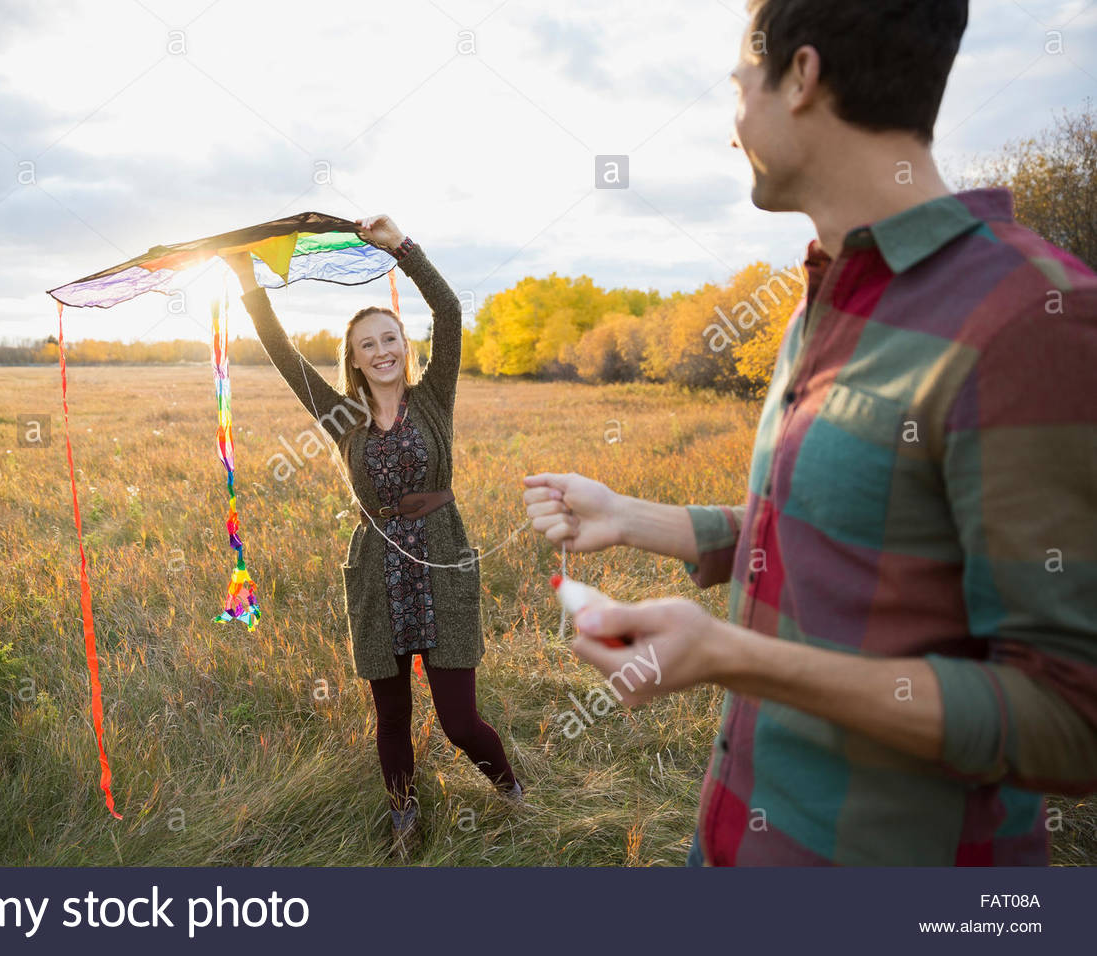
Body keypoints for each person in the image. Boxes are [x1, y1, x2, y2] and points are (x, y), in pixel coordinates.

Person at [525, 0, 1097, 866]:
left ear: (801, 76)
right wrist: (631, 517)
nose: (730, 127)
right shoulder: (826, 295)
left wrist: (731, 658)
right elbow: (834, 530)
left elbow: (1071, 719)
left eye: (736, 84)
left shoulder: (1031, 319)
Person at [228, 215, 521, 859]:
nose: (383, 351)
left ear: (403, 347)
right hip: (376, 574)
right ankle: (403, 816)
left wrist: (402, 248)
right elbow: (283, 355)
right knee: (390, 715)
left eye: (390, 339)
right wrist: (248, 281)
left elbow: (447, 311)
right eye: (368, 345)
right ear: (354, 360)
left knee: (459, 719)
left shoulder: (435, 397)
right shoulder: (342, 417)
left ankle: (513, 794)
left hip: (442, 564)